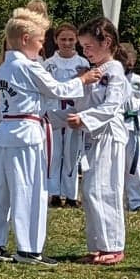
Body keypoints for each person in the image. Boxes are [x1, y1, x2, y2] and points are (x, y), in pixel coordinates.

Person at [0, 8, 92, 265]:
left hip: (6, 130)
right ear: (26, 39)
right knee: (29, 188)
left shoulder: (4, 66)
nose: (42, 47)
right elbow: (58, 89)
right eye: (40, 41)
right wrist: (84, 79)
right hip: (27, 132)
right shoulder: (29, 67)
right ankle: (29, 249)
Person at [67, 18, 131, 264]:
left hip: (109, 135)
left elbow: (111, 106)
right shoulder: (94, 72)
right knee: (90, 189)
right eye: (83, 47)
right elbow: (85, 103)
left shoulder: (114, 70)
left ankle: (113, 245)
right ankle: (97, 246)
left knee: (104, 189)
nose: (85, 51)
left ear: (106, 42)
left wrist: (83, 118)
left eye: (89, 46)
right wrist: (83, 87)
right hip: (92, 136)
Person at [43, 22, 89, 206]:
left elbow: (86, 90)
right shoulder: (48, 64)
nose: (67, 43)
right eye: (63, 39)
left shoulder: (83, 63)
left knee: (72, 153)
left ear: (76, 40)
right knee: (54, 153)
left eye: (71, 39)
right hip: (54, 111)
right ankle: (53, 193)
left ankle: (70, 194)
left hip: (74, 112)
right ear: (55, 40)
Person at [118, 42, 140, 212]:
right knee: (116, 164)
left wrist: (138, 122)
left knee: (135, 165)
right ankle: (117, 199)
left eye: (131, 59)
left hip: (134, 127)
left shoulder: (139, 81)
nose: (128, 63)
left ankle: (136, 201)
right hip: (117, 126)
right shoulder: (113, 78)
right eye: (125, 59)